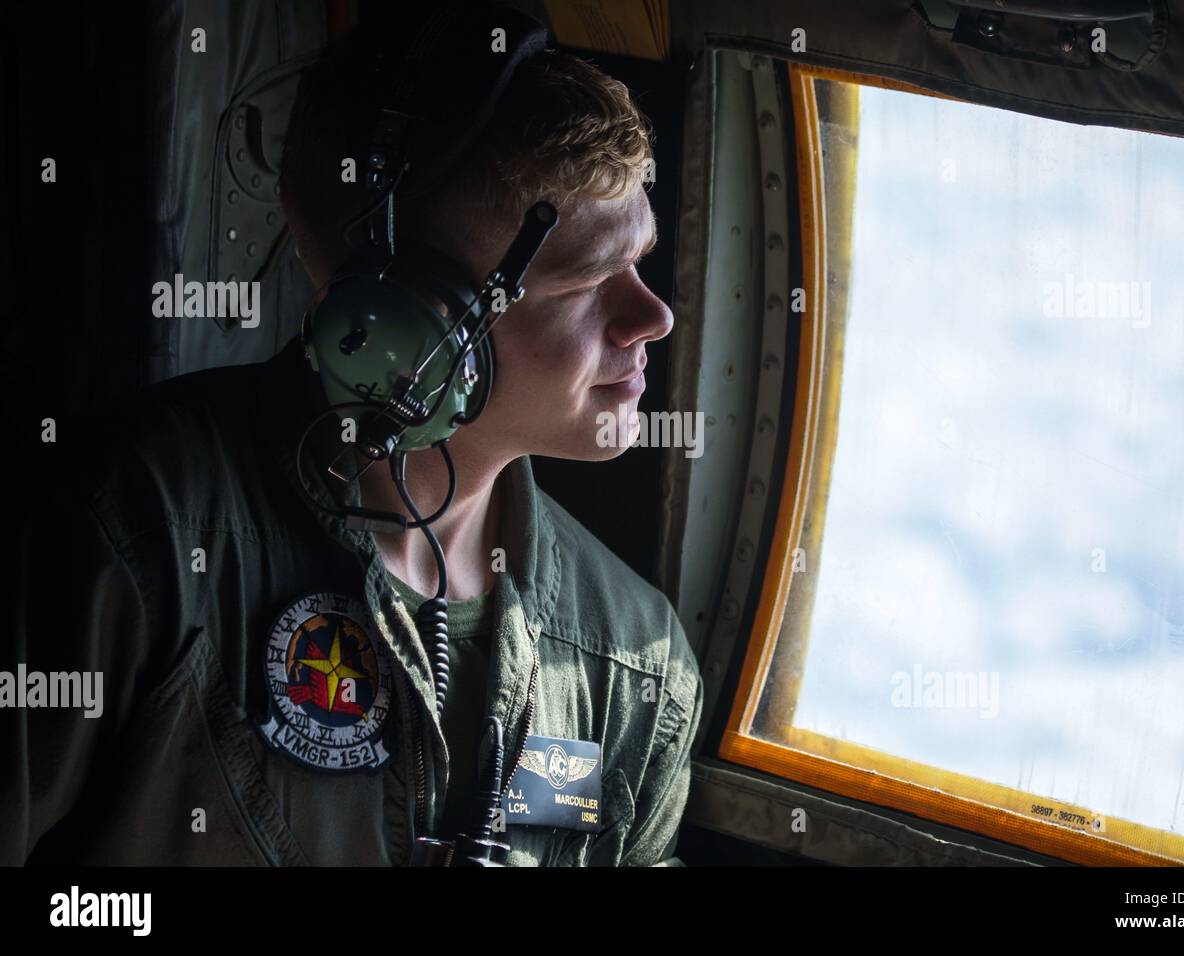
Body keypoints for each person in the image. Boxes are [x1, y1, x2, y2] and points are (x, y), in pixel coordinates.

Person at [3, 7, 702, 867]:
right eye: (588, 279)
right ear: (410, 329)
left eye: (640, 260)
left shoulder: (639, 659)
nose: (654, 317)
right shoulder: (131, 533)